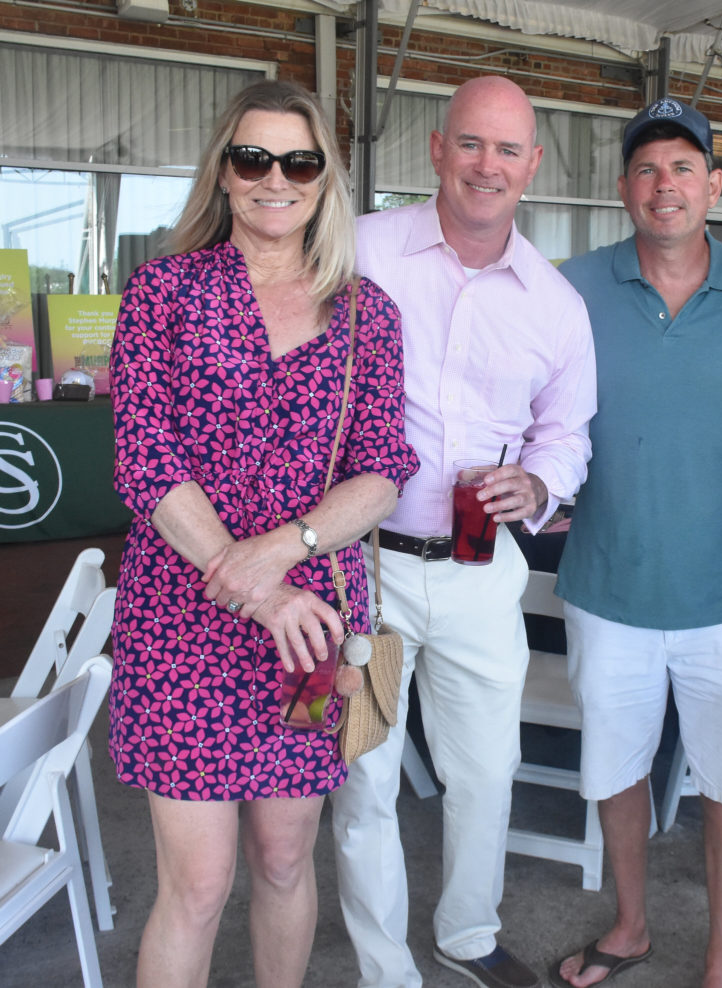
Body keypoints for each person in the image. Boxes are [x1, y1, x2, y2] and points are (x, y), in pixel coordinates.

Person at [108, 79, 418, 987]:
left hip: (310, 637)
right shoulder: (164, 291)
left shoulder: (367, 314)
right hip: (181, 625)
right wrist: (253, 582)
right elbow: (144, 462)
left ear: (325, 180)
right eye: (252, 158)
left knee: (286, 861)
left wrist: (287, 553)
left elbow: (382, 472)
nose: (273, 179)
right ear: (225, 170)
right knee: (197, 885)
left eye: (298, 161)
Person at [329, 75, 596, 988]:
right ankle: (385, 968)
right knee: (363, 777)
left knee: (486, 772)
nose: (488, 165)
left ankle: (468, 936)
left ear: (533, 166)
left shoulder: (553, 303)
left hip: (484, 572)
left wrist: (542, 478)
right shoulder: (361, 251)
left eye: (508, 149)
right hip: (362, 574)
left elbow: (568, 432)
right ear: (438, 150)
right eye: (471, 144)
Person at [550, 98, 722, 988]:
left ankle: (721, 959)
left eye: (684, 167)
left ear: (714, 185)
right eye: (647, 169)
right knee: (615, 768)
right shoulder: (572, 286)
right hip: (608, 584)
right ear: (622, 189)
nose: (666, 184)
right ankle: (633, 926)